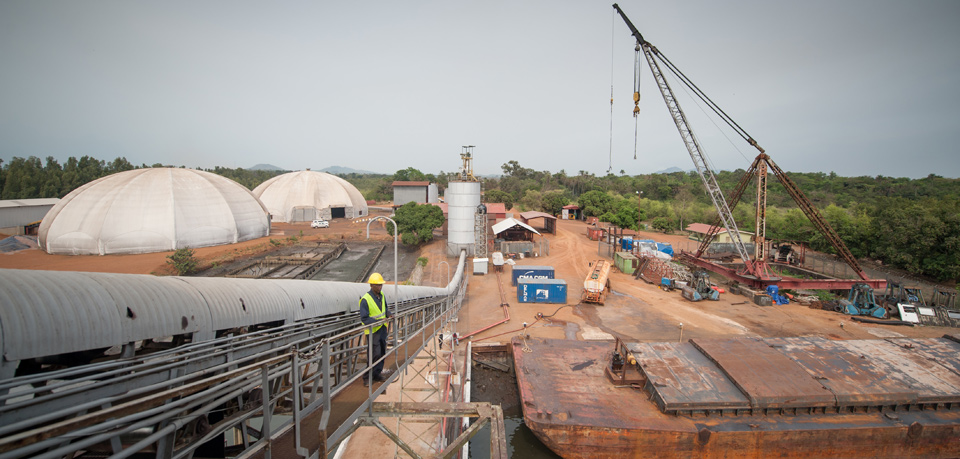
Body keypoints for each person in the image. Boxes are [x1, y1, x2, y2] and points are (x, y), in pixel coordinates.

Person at [360, 272, 393, 386]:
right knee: (375, 354)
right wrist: (377, 322)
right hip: (373, 331)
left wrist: (389, 314)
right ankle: (367, 377)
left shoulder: (382, 296)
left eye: (381, 285)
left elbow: (385, 309)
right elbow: (364, 318)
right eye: (378, 285)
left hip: (382, 329)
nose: (380, 287)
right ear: (371, 285)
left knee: (382, 352)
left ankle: (377, 374)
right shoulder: (365, 299)